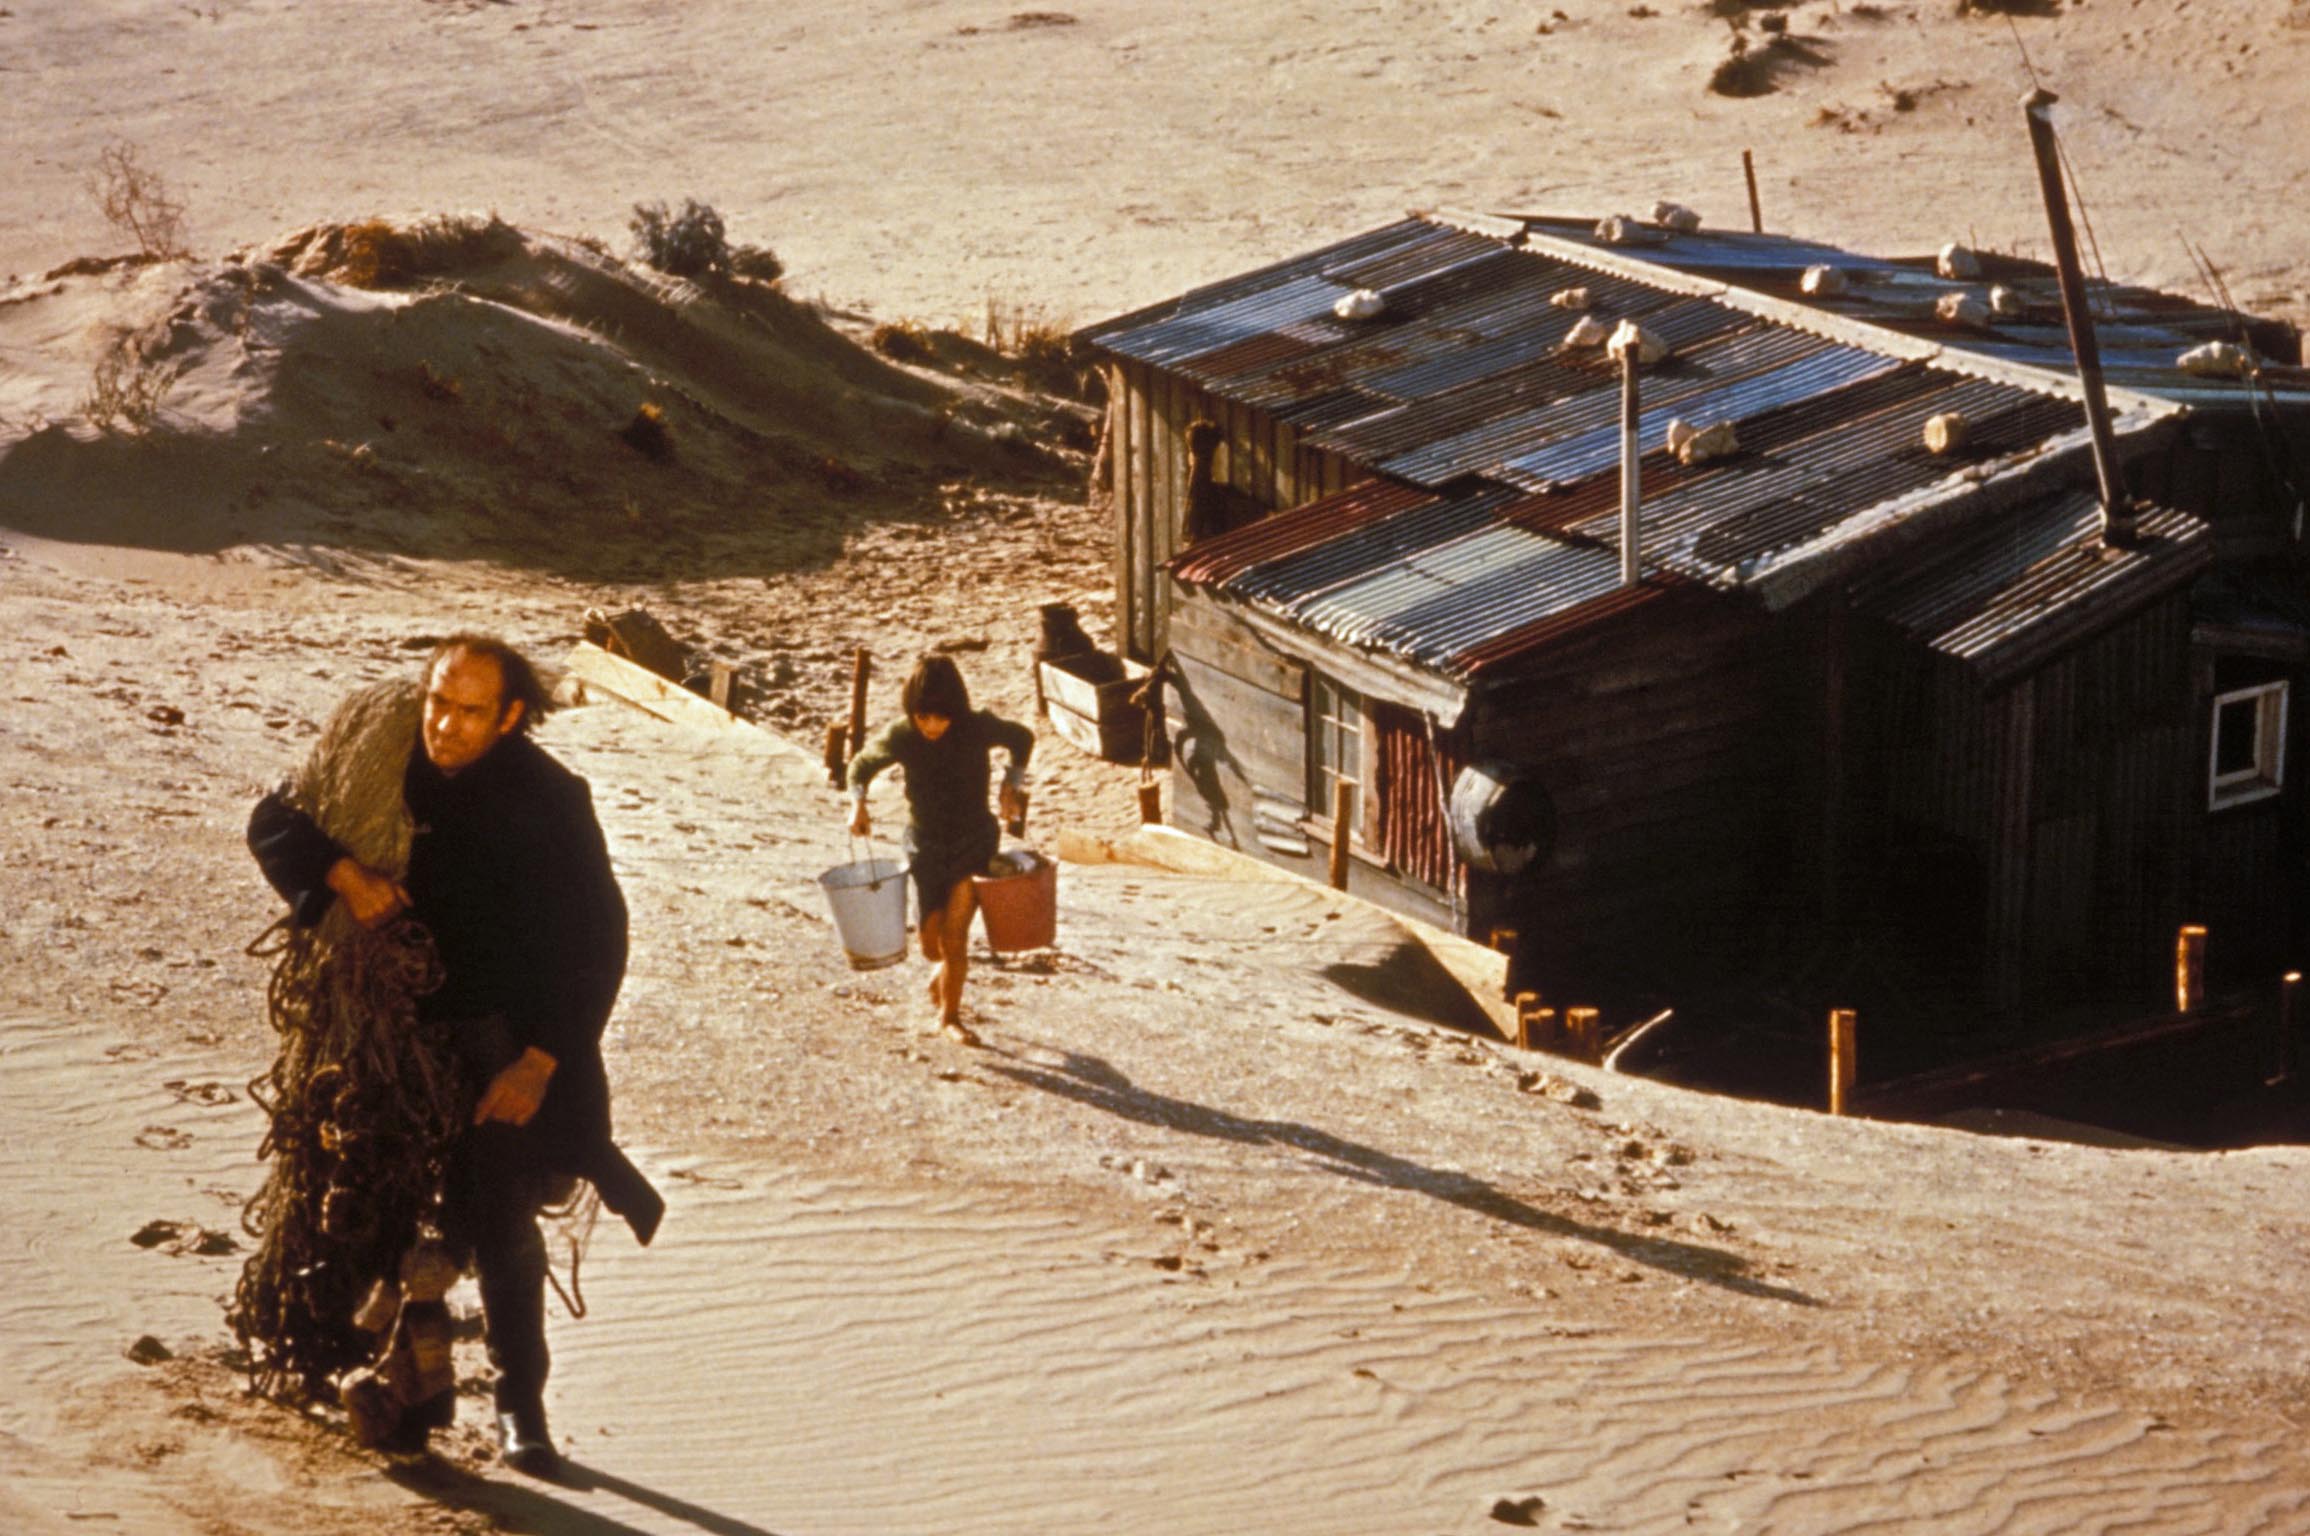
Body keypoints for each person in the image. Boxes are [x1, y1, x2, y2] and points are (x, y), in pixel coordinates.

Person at [245, 635, 659, 1477]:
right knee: (365, 1202)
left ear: (510, 716)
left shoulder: (551, 800)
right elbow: (272, 821)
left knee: (500, 1217)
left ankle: (520, 1406)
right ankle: (385, 1380)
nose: (445, 724)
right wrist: (343, 875)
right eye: (438, 700)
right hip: (388, 1035)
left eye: (471, 711)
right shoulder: (384, 756)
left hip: (500, 1039)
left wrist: (539, 1063)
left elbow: (599, 941)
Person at [848, 655, 1034, 1046]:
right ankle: (942, 972)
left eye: (942, 718)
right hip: (925, 843)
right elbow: (860, 766)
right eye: (923, 717)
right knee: (931, 943)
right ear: (912, 713)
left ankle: (950, 1017)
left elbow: (1021, 738)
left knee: (955, 936)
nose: (932, 726)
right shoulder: (901, 735)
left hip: (974, 840)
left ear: (956, 712)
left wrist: (1010, 784)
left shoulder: (977, 726)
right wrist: (858, 804)